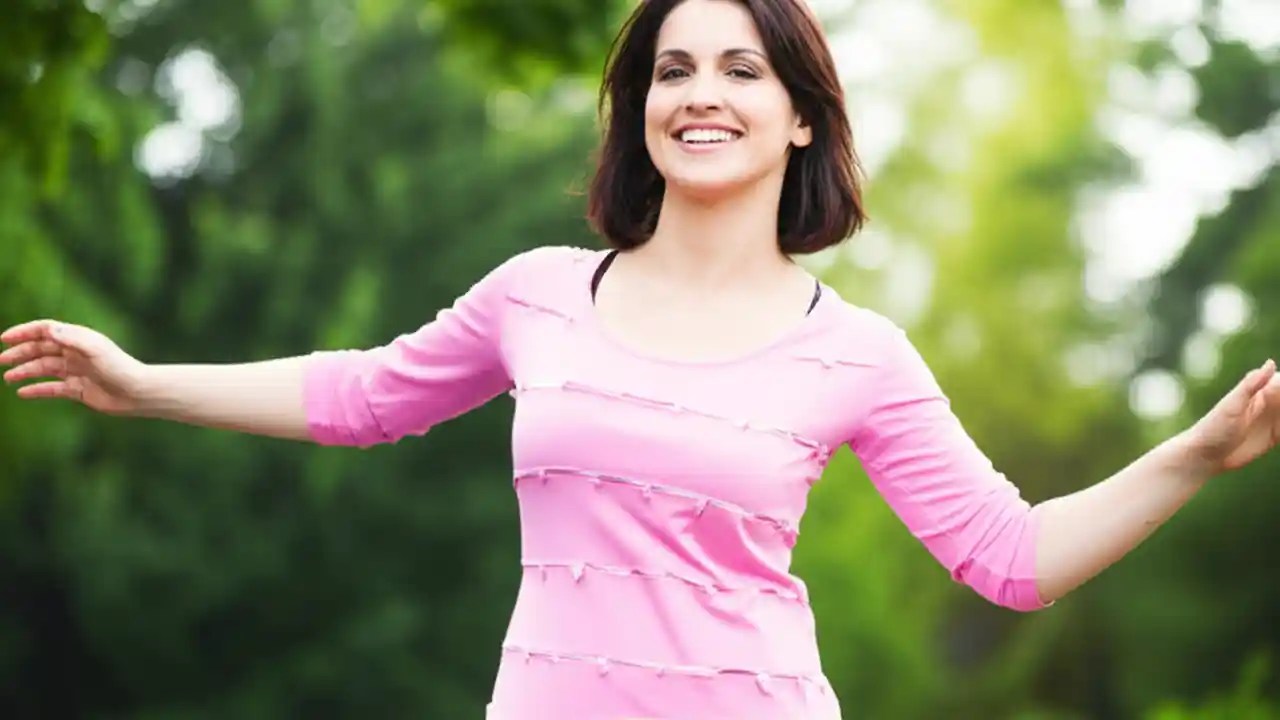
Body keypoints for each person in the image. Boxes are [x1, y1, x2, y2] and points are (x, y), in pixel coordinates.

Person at [2, 0, 1278, 717]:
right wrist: (142, 382)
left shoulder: (859, 355)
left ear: (797, 120)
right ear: (638, 108)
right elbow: (361, 394)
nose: (698, 92)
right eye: (671, 69)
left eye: (739, 67)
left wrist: (1196, 452)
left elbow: (1006, 562)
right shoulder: (538, 296)